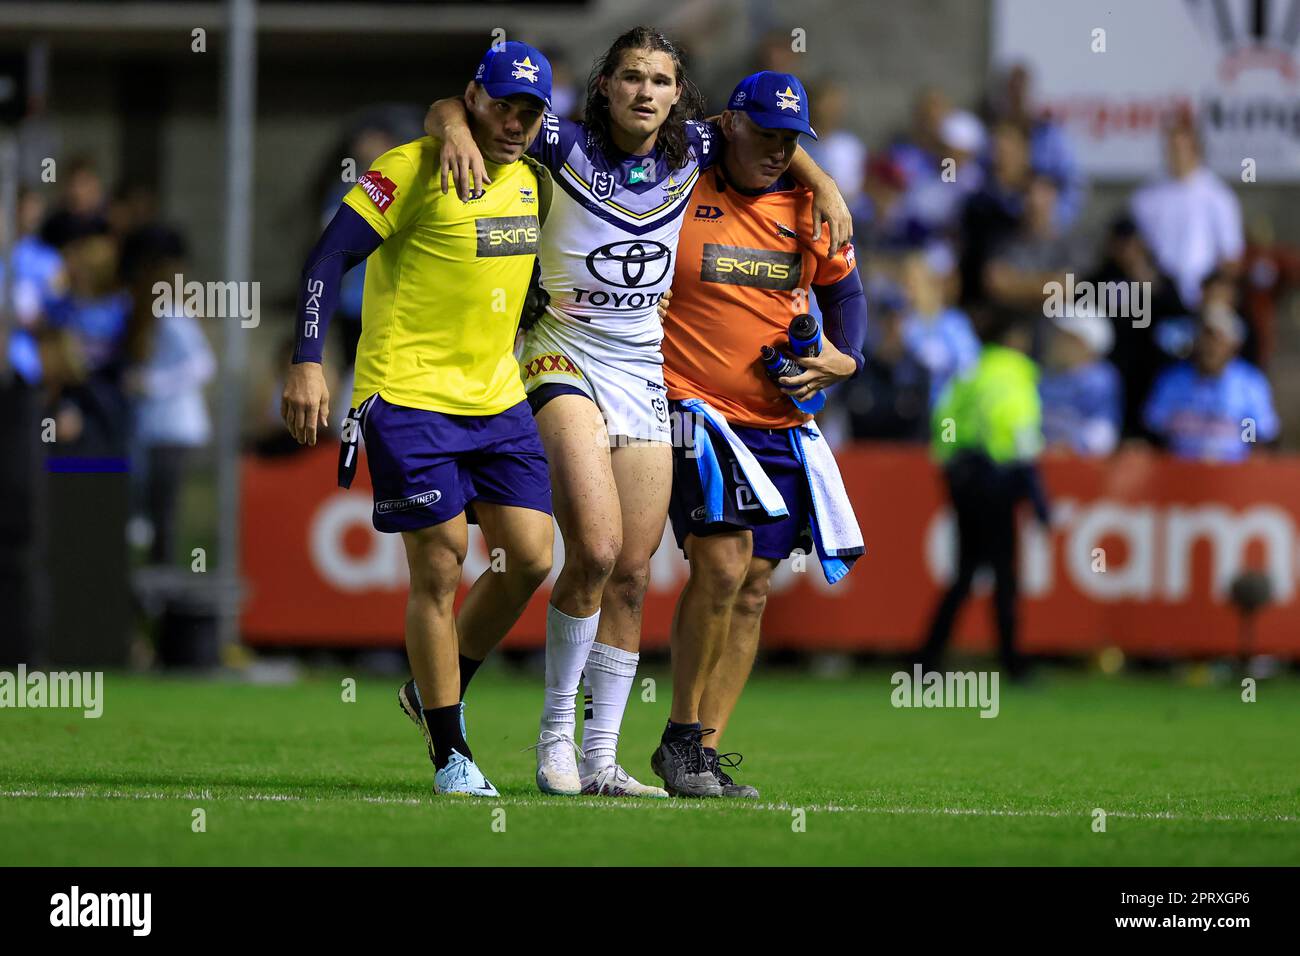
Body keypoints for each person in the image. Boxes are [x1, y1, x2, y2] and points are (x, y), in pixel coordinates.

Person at [425, 28, 853, 797]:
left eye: (660, 80)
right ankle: (553, 740)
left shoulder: (693, 146)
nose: (645, 92)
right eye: (630, 77)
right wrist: (453, 125)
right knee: (591, 549)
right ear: (606, 87)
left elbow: (763, 128)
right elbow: (467, 113)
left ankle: (600, 760)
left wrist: (822, 180)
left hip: (640, 367)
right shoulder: (558, 140)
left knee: (629, 574)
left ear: (678, 95)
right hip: (560, 351)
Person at [281, 41, 558, 797]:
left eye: (529, 113)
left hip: (497, 398)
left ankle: (432, 686)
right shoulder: (410, 167)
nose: (514, 122)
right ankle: (451, 754)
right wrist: (309, 359)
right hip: (407, 394)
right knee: (441, 559)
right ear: (473, 96)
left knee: (532, 557)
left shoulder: (536, 172)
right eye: (500, 105)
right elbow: (325, 258)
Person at [655, 71, 866, 796]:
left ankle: (702, 751)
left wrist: (846, 357)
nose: (780, 152)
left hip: (779, 419)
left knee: (752, 588)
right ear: (731, 125)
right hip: (692, 403)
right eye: (767, 135)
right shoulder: (684, 174)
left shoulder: (811, 208)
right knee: (720, 563)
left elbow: (847, 296)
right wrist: (828, 176)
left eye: (792, 142)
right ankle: (681, 734)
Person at [918, 313, 1050, 680]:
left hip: (966, 481)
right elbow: (1018, 431)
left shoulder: (970, 372)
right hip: (1000, 481)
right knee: (1005, 576)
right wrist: (1036, 493)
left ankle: (927, 659)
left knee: (964, 575)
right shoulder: (1015, 373)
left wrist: (952, 470)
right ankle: (1012, 663)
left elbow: (943, 419)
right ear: (1014, 339)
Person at [1143, 292, 1279, 463]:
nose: (1209, 346)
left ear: (1233, 345)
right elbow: (1155, 433)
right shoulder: (1173, 381)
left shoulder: (1249, 384)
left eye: (1216, 339)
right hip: (1179, 474)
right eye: (1203, 338)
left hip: (1233, 476)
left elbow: (1257, 437)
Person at [1131, 116, 1243, 309]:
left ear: (1196, 149)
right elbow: (1135, 247)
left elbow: (1231, 255)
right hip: (1158, 292)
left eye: (1183, 148)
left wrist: (1216, 290)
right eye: (1172, 148)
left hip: (1205, 292)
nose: (1178, 154)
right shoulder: (1146, 197)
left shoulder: (1219, 196)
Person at [1038, 310, 1122, 456]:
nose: (1055, 341)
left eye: (1065, 338)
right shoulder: (1043, 373)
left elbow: (1103, 432)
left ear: (1085, 344)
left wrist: (1072, 447)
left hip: (1078, 463)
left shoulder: (1098, 378)